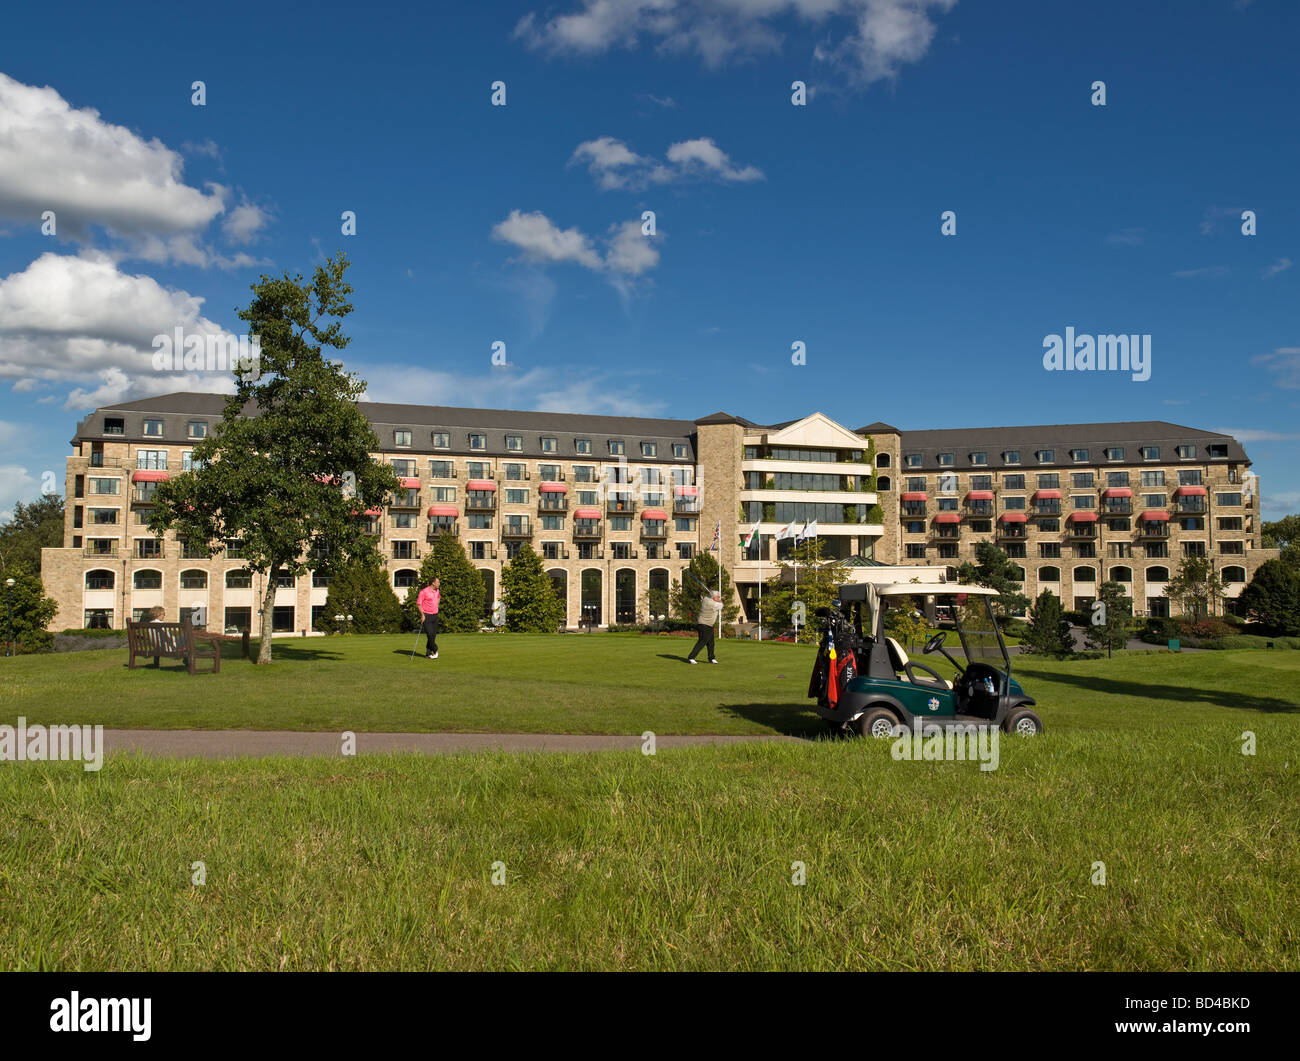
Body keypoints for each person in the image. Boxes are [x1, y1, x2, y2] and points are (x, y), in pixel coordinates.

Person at [687, 590, 722, 664]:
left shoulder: (705, 599)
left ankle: (711, 658)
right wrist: (719, 600)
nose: (719, 597)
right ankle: (691, 657)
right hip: (705, 625)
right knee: (702, 642)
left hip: (705, 625)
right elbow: (721, 605)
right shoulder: (712, 604)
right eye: (718, 596)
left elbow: (709, 597)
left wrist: (713, 595)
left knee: (711, 643)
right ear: (713, 597)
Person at [416, 577, 441, 659]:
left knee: (433, 636)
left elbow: (438, 597)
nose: (439, 583)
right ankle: (435, 650)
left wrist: (436, 605)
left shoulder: (437, 591)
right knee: (430, 635)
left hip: (435, 616)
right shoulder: (424, 592)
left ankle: (428, 652)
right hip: (427, 616)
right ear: (433, 583)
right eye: (438, 582)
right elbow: (419, 604)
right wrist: (422, 615)